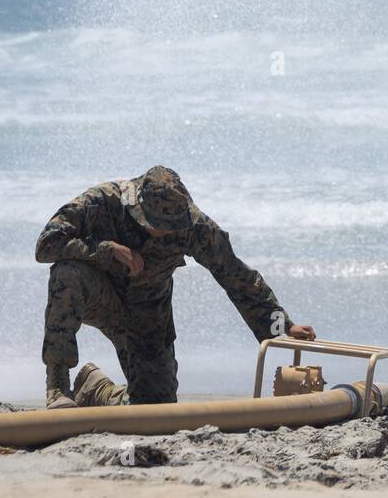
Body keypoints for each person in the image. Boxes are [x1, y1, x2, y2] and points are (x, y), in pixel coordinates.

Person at [36, 165, 315, 409]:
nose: (168, 231)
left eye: (173, 225)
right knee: (67, 273)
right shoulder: (104, 201)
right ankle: (58, 385)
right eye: (160, 225)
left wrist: (282, 325)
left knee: (154, 406)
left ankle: (96, 389)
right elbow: (46, 244)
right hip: (100, 295)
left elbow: (236, 276)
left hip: (147, 315)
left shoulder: (194, 226)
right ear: (140, 209)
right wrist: (104, 250)